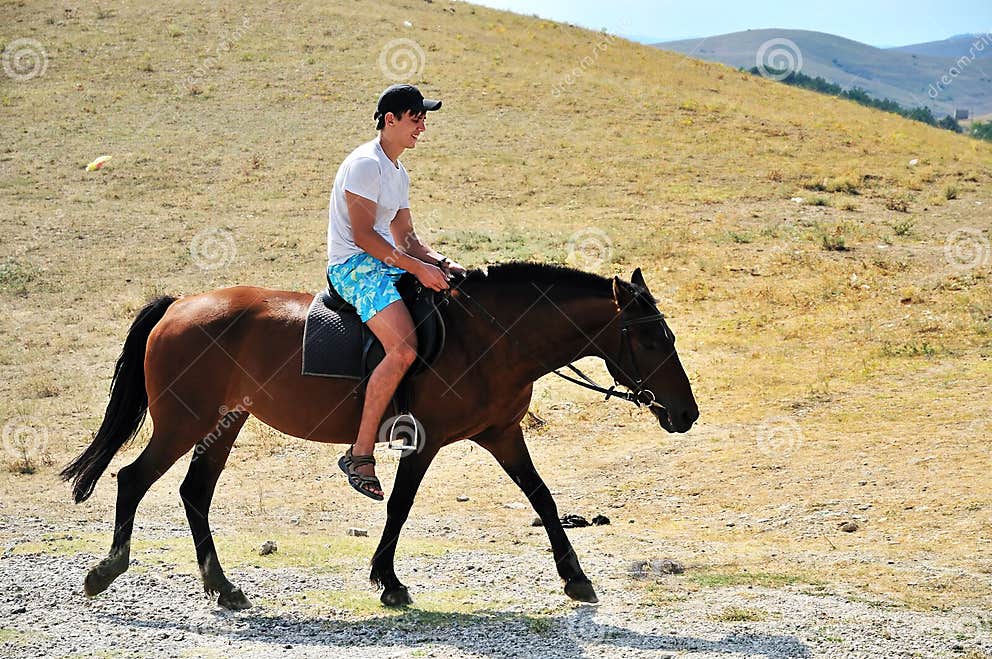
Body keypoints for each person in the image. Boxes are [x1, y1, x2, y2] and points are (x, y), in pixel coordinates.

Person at [326, 84, 465, 501]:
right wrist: (417, 269)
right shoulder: (366, 165)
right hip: (353, 266)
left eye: (424, 119)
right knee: (403, 348)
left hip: (384, 261)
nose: (422, 127)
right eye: (415, 118)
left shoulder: (397, 170)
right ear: (390, 120)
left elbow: (406, 237)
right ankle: (360, 452)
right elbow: (365, 237)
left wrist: (441, 263)